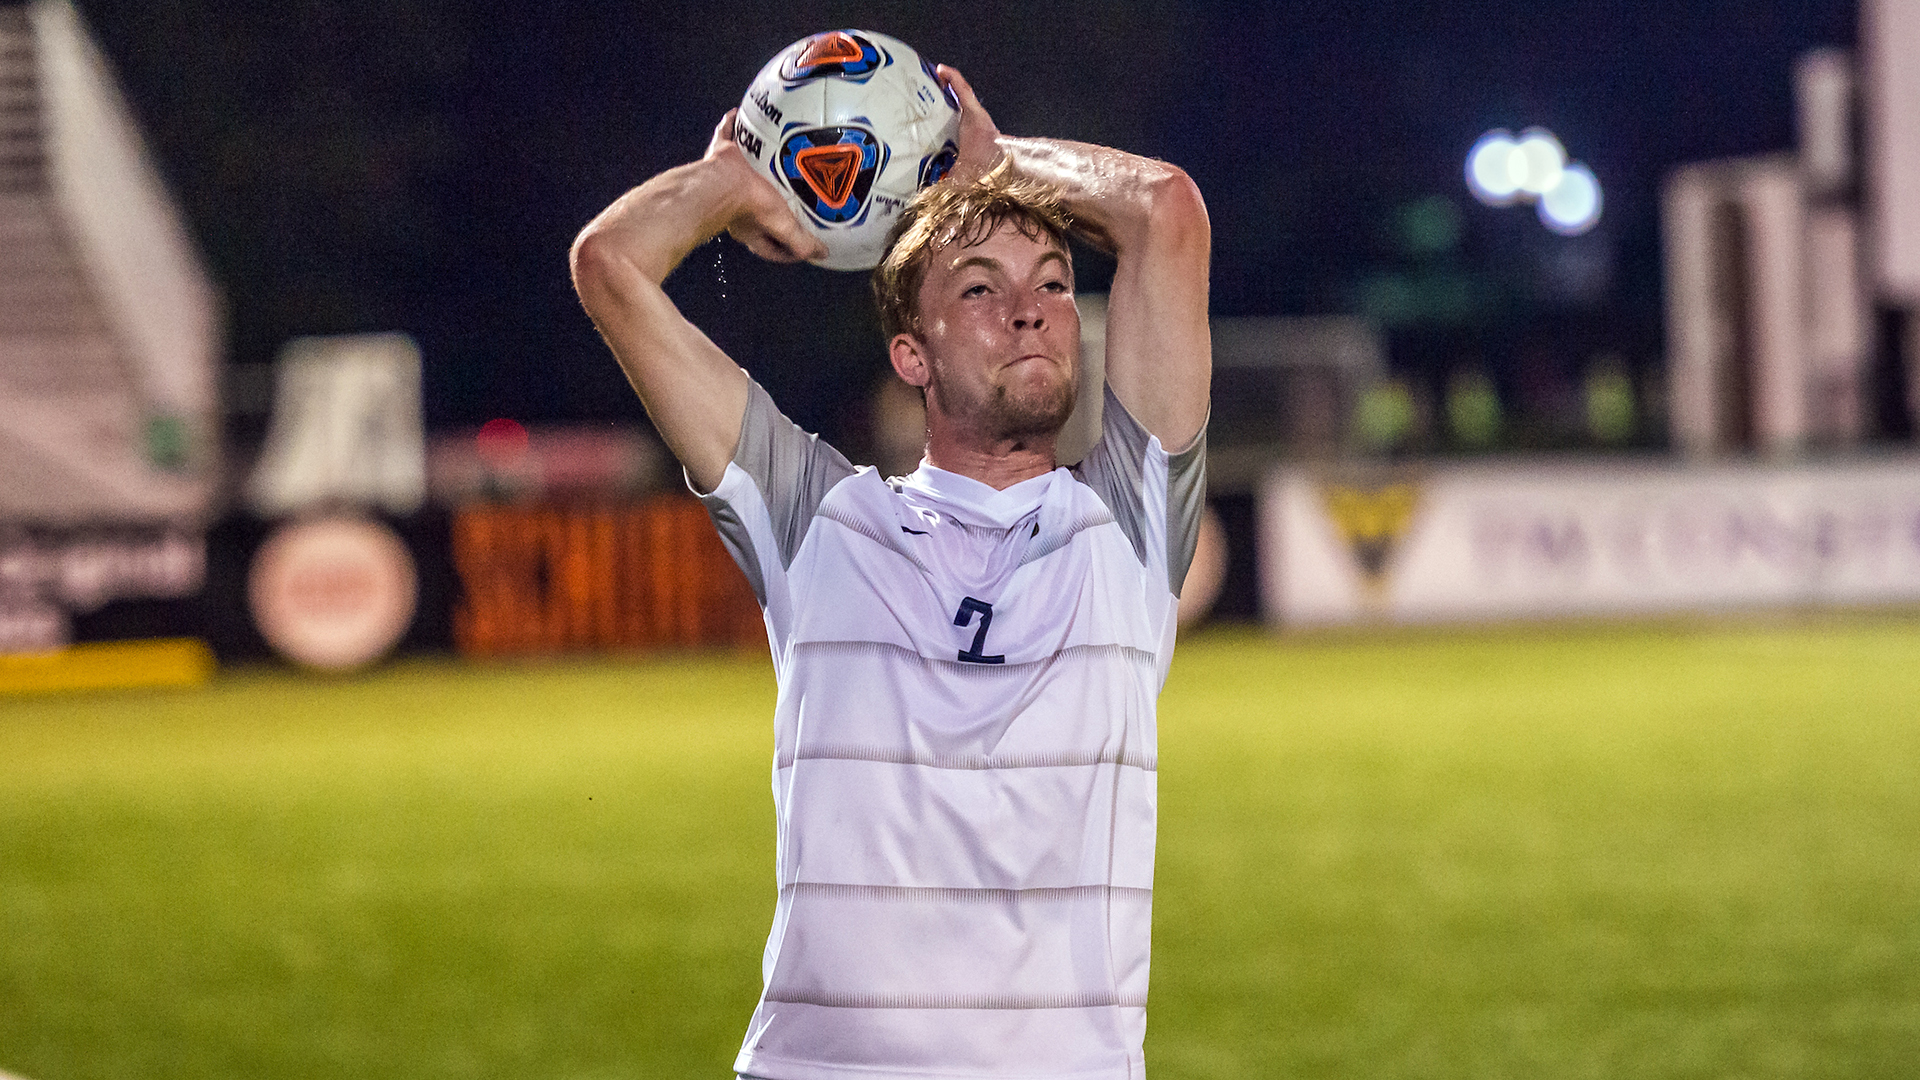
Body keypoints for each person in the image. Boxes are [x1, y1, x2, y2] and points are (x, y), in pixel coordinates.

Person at [570, 63, 1209, 1080]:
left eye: (1051, 282)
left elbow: (1165, 211)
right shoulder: (816, 519)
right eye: (981, 290)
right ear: (912, 356)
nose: (1033, 309)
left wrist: (1002, 167)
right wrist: (733, 182)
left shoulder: (1128, 523)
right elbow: (609, 264)